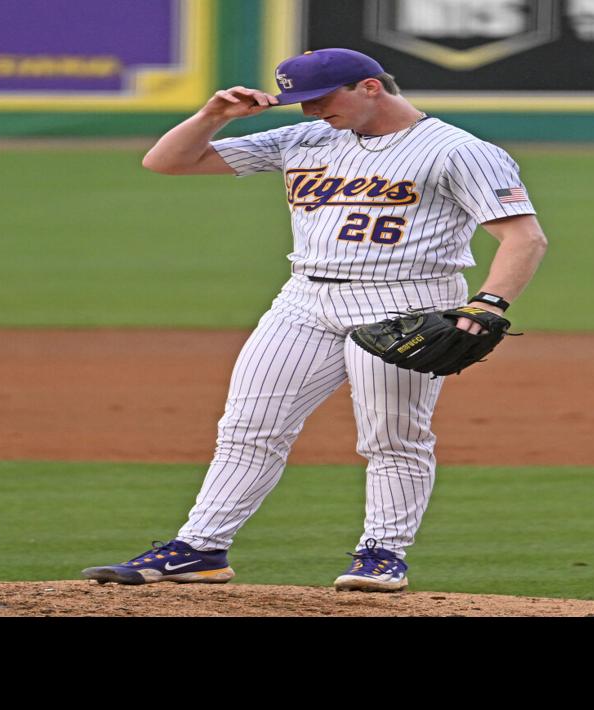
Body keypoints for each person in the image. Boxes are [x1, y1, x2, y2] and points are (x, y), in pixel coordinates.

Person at [82, 48, 548, 592]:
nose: (309, 112)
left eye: (321, 100)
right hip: (303, 300)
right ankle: (201, 548)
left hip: (406, 300)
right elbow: (168, 161)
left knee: (393, 437)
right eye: (301, 102)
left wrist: (488, 303)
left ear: (370, 87)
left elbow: (524, 236)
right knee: (247, 429)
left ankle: (383, 554)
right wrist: (212, 115)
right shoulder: (304, 139)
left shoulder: (459, 151)